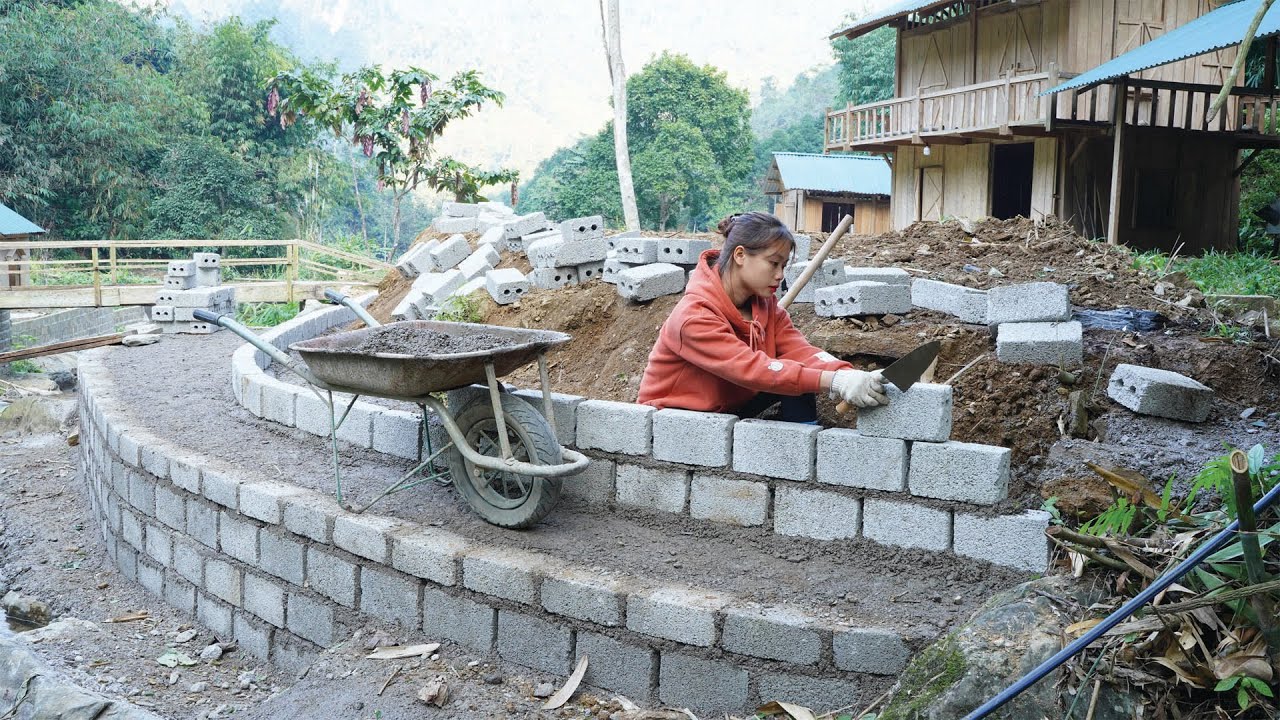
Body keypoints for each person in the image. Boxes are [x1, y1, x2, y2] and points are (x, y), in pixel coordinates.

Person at [637, 212, 888, 422]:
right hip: (673, 422)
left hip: (726, 410)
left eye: (783, 266)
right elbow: (750, 368)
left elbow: (799, 350)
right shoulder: (694, 317)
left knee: (799, 382)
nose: (780, 275)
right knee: (794, 377)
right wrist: (833, 381)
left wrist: (847, 373)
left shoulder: (765, 306)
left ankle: (799, 461)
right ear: (740, 255)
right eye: (773, 263)